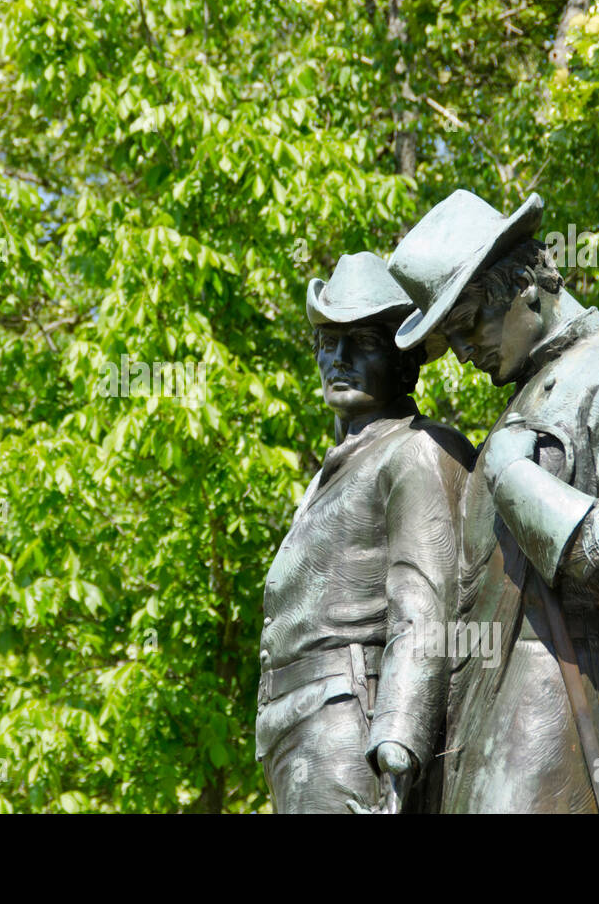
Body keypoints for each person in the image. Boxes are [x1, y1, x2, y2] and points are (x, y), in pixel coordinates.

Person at [386, 190, 599, 812]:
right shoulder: (529, 398)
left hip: (563, 733)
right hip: (482, 738)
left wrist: (525, 489)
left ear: (529, 285)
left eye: (466, 322)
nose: (459, 352)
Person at [256, 251, 473, 813]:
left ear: (405, 364)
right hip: (294, 732)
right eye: (329, 343)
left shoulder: (417, 449)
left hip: (352, 725)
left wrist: (398, 740)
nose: (340, 358)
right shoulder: (338, 466)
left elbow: (424, 606)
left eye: (364, 343)